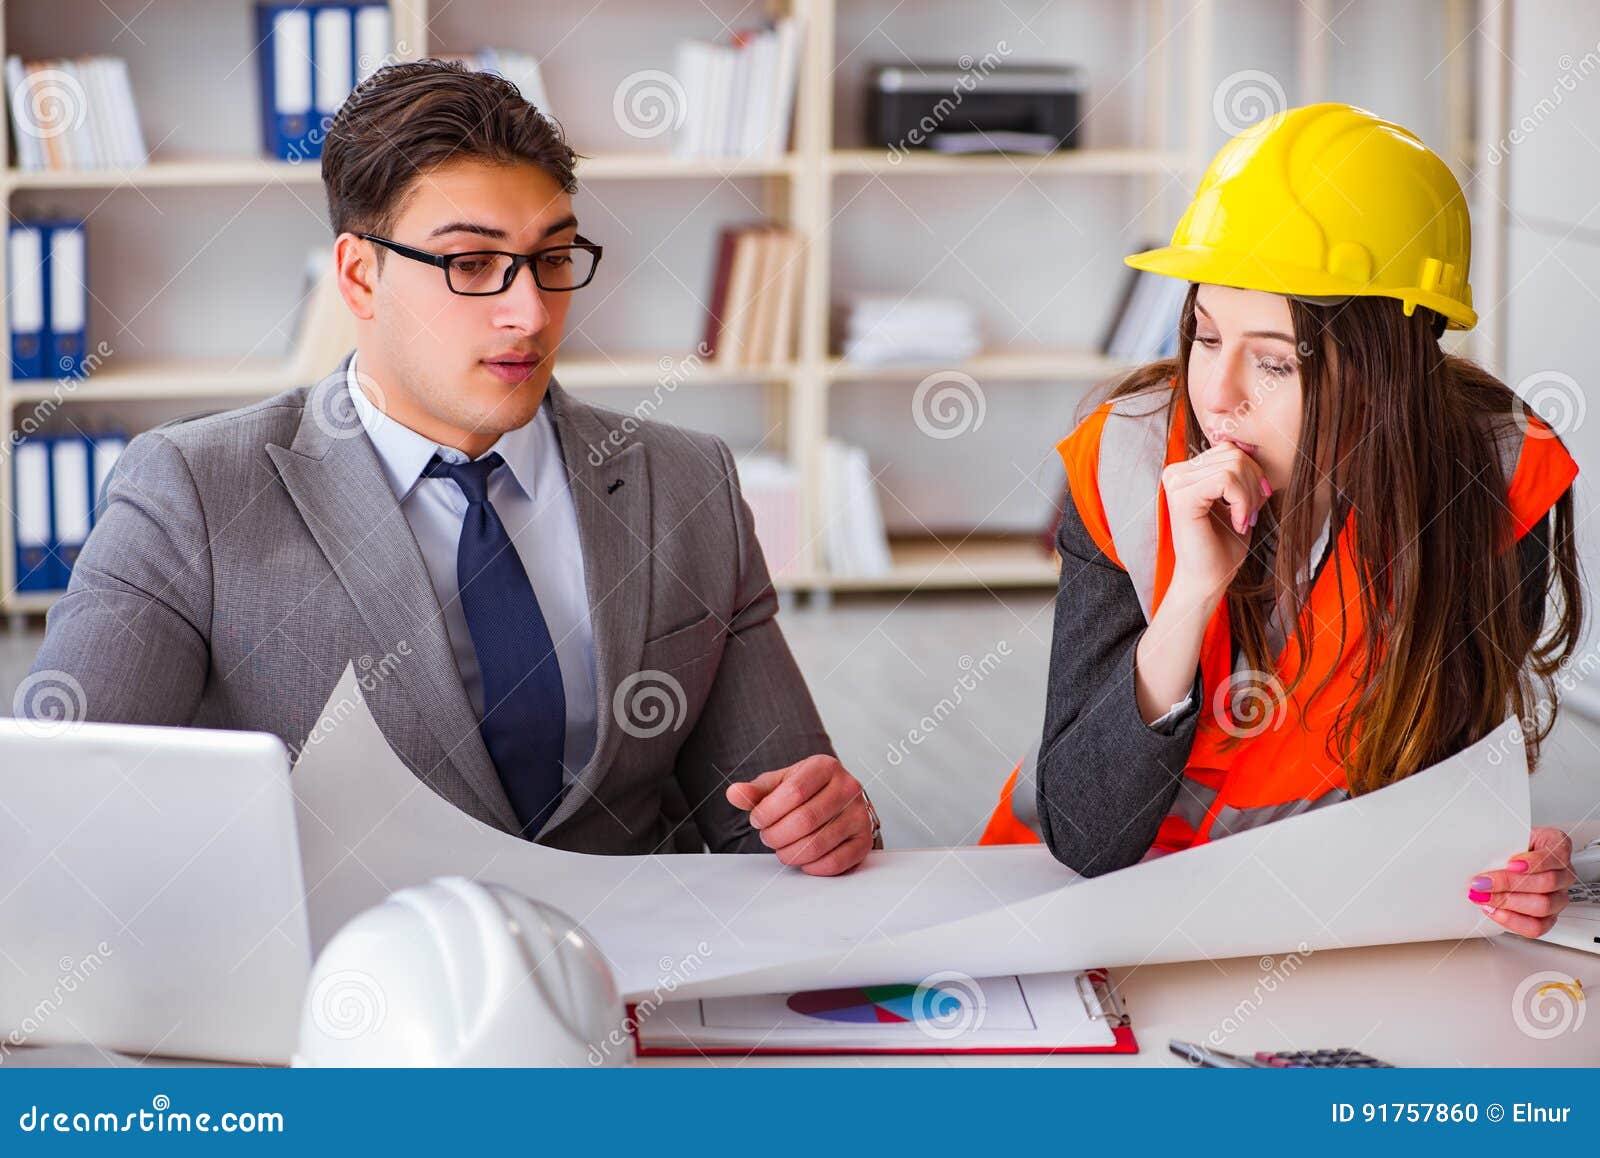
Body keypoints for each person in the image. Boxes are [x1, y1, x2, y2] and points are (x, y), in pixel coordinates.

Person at [24, 60, 879, 874]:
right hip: (344, 1001)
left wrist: (827, 823)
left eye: (552, 259)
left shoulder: (686, 485)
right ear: (361, 277)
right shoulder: (194, 493)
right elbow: (58, 822)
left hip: (629, 995)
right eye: (471, 264)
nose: (529, 312)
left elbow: (769, 821)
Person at [981, 103, 1583, 939]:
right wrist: (1192, 597)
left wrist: (1512, 864)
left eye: (1271, 360)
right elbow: (1085, 833)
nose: (1218, 395)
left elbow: (1447, 790)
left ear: (1385, 367)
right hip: (1084, 911)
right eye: (1202, 335)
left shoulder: (1497, 474)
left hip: (1324, 921)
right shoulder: (1123, 463)